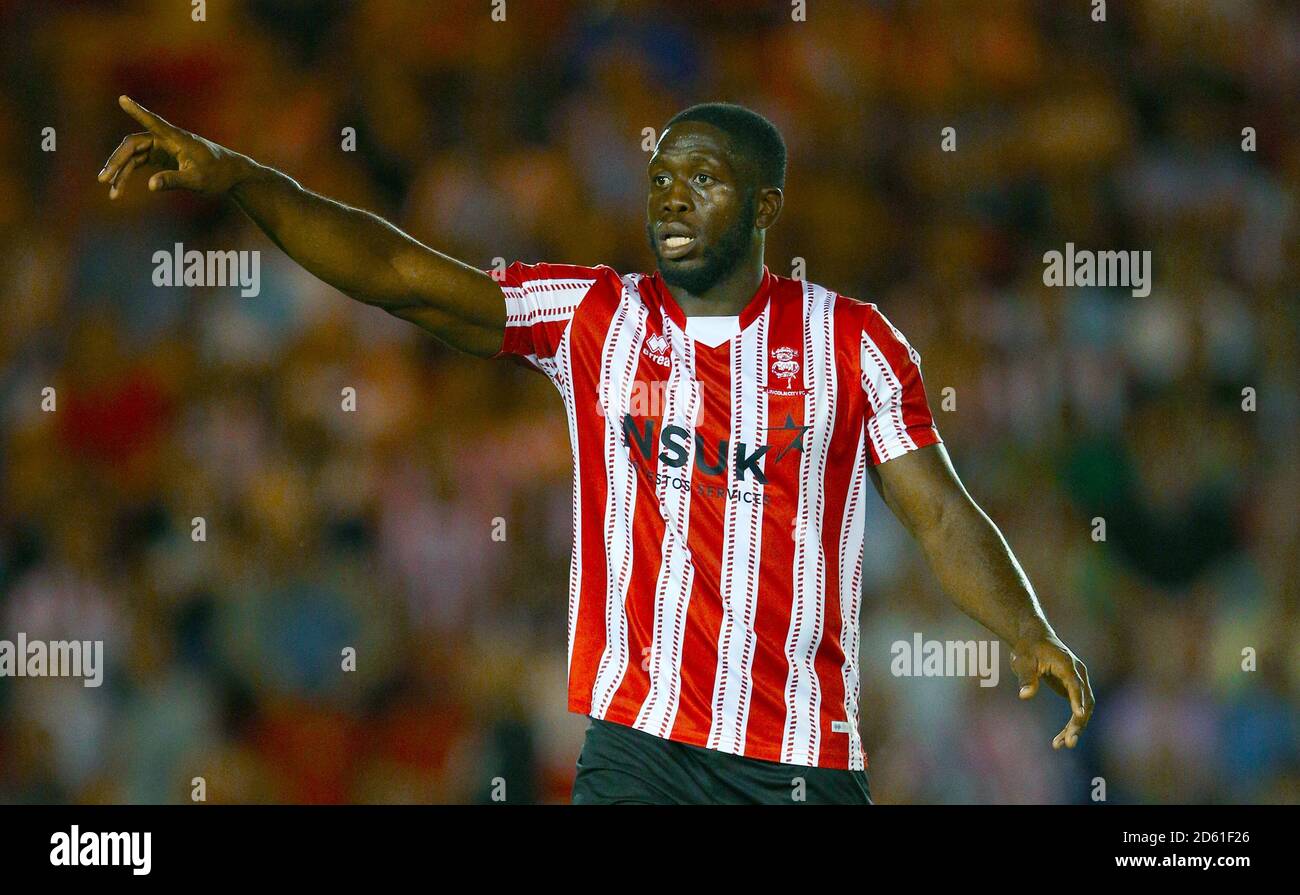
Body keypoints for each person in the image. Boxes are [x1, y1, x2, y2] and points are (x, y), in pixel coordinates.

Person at [98, 97, 1094, 804]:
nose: (669, 198)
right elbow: (402, 273)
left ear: (762, 209)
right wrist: (244, 180)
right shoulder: (596, 316)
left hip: (797, 756)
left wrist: (1025, 623)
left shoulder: (851, 341)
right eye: (660, 178)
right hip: (635, 751)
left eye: (702, 179)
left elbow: (936, 508)